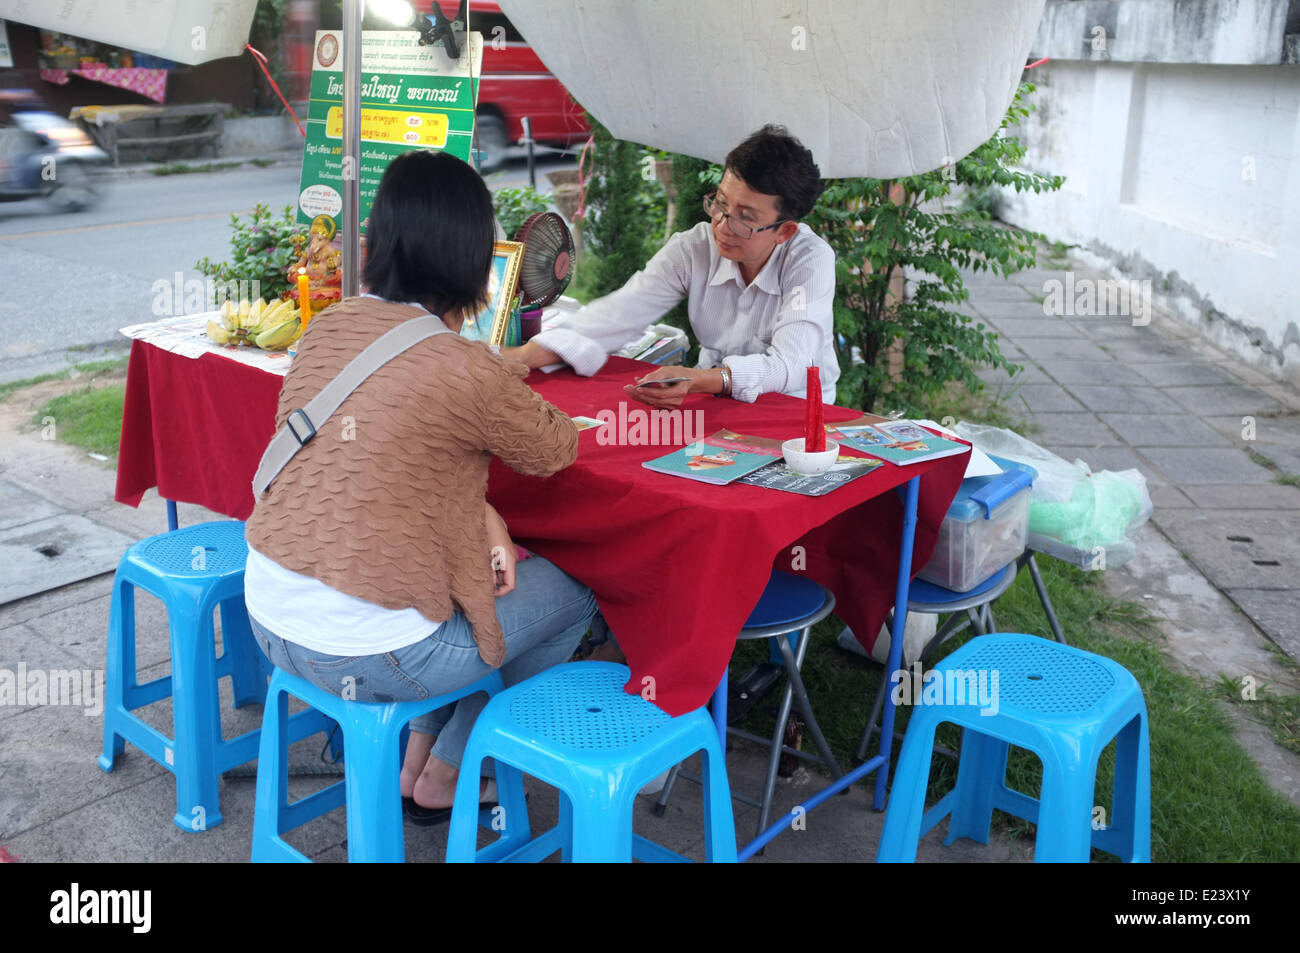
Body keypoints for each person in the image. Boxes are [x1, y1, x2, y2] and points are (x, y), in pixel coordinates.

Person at [243, 149, 598, 825]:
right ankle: (458, 768)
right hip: (374, 652)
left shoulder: (326, 327)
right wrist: (504, 376)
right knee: (574, 588)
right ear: (474, 261)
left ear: (381, 238)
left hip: (271, 619)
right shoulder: (464, 366)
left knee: (445, 579)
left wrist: (482, 506)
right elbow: (556, 447)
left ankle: (420, 756)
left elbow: (354, 460)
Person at [502, 123, 838, 409]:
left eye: (745, 219)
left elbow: (792, 364)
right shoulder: (694, 247)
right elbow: (620, 313)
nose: (721, 225)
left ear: (784, 231)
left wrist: (705, 379)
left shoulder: (810, 260)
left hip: (793, 411)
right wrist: (522, 357)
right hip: (713, 402)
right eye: (720, 203)